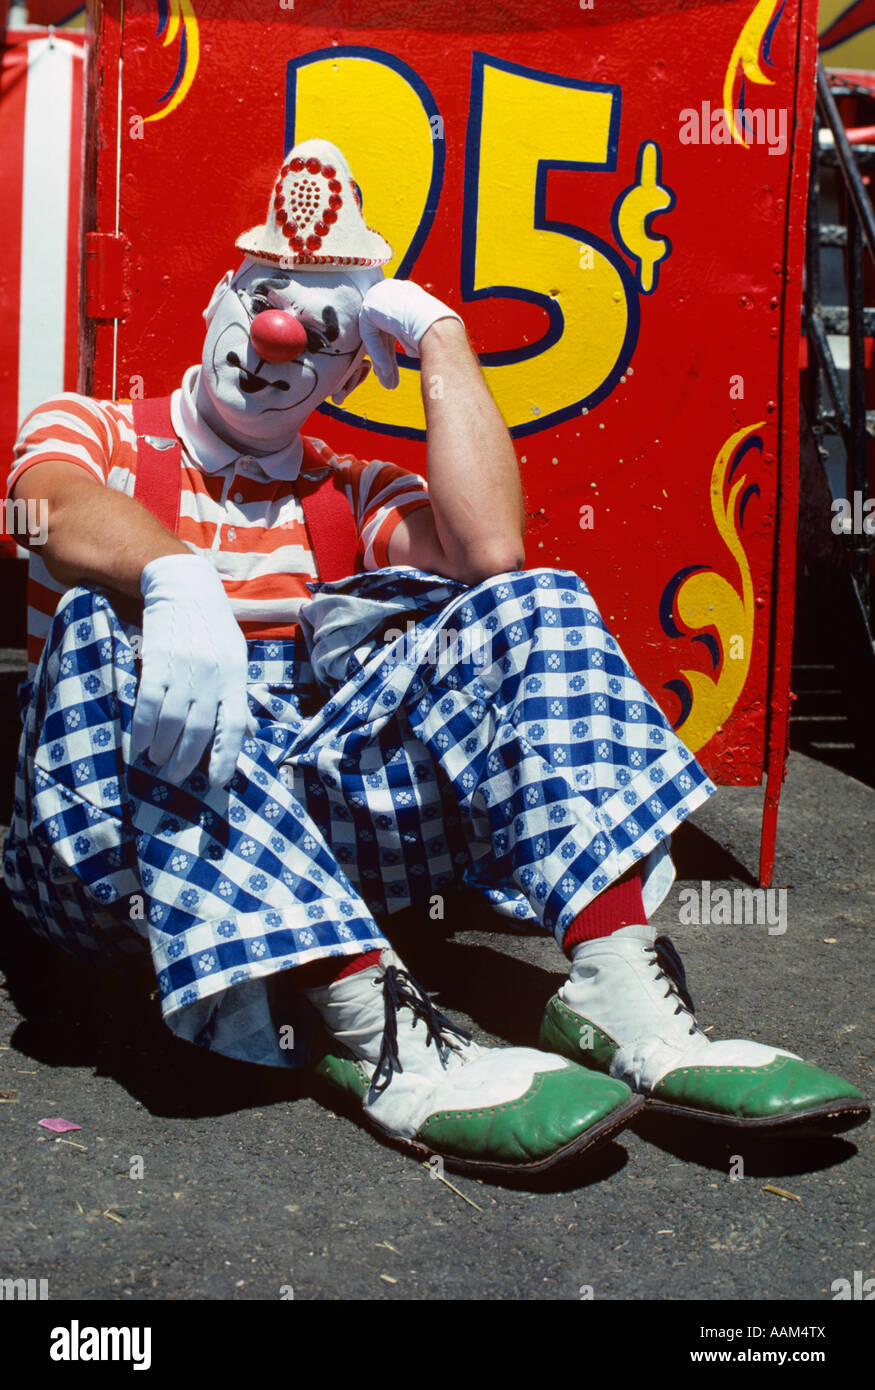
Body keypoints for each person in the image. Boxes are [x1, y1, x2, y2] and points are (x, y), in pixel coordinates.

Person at [4, 140, 867, 1180]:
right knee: (110, 625)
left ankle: (617, 984)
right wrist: (173, 579)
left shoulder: (345, 487)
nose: (277, 334)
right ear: (219, 300)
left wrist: (439, 337)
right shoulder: (96, 428)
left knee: (530, 600)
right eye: (264, 293)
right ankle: (364, 1019)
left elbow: (489, 553)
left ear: (352, 361)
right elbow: (42, 499)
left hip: (308, 832)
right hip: (114, 857)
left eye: (321, 328)